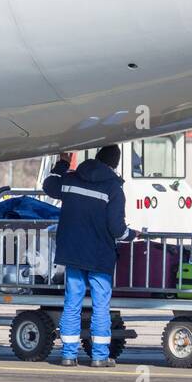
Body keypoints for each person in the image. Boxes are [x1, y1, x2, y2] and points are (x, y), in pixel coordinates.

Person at [42, 145, 134, 367]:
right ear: (115, 165)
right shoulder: (113, 188)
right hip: (100, 256)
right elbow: (116, 228)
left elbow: (49, 186)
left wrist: (63, 163)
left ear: (96, 157)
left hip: (73, 253)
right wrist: (131, 235)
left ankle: (68, 355)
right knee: (100, 306)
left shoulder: (72, 179)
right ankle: (100, 357)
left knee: (72, 303)